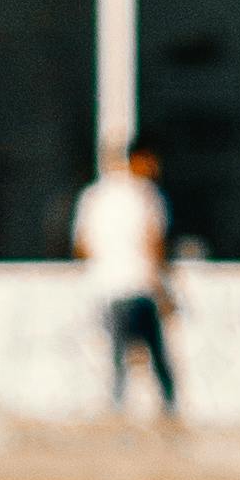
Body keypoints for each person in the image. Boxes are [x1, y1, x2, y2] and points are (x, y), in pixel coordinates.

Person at [71, 134, 176, 416]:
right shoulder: (147, 196)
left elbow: (82, 245)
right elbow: (154, 243)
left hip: (106, 287)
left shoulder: (94, 196)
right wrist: (164, 290)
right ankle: (168, 417)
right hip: (140, 285)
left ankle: (114, 417)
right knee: (159, 363)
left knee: (116, 364)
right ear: (139, 159)